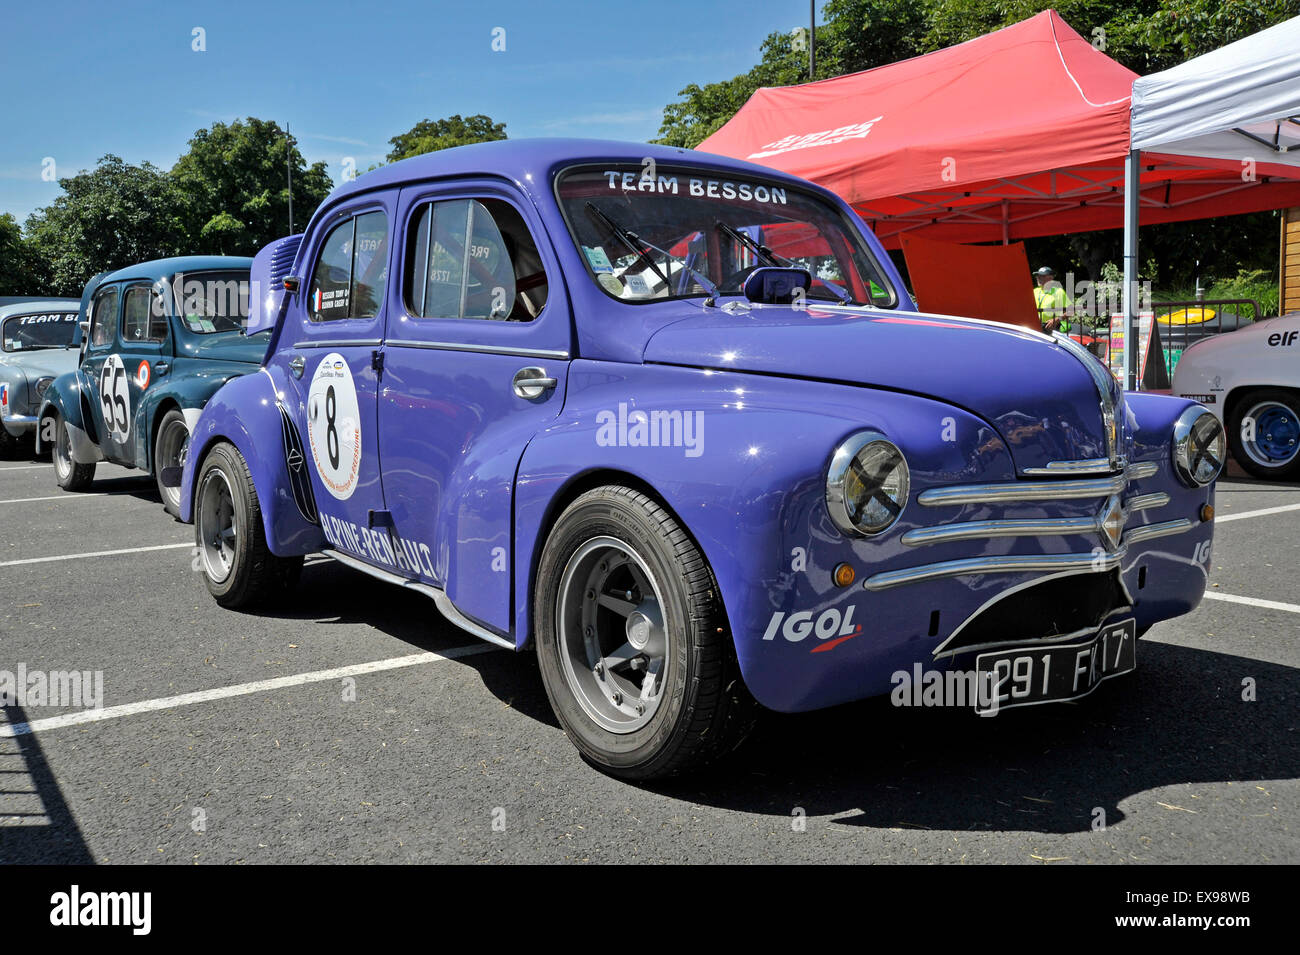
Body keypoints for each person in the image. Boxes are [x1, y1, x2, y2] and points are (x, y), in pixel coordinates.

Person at [1033, 266, 1072, 333]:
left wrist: (1057, 319)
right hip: (1034, 328)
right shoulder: (1035, 291)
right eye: (1037, 276)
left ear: (1050, 278)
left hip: (1050, 329)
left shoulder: (1058, 292)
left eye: (1042, 276)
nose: (1038, 278)